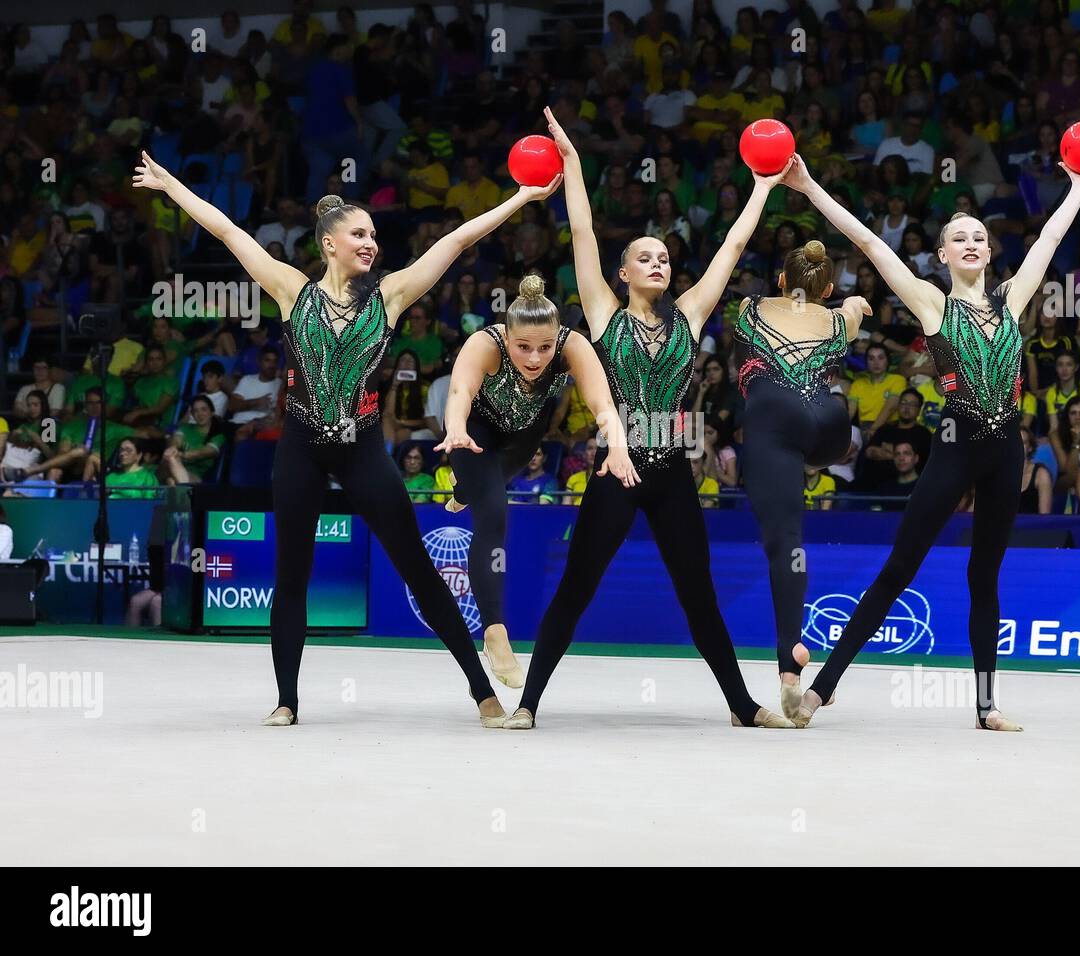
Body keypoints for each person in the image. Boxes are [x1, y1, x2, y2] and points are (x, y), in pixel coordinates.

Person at [132, 148, 561, 729]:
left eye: (374, 235)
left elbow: (457, 241)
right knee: (293, 572)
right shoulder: (290, 290)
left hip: (361, 446)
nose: (371, 243)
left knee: (417, 564)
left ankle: (483, 692)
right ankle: (287, 699)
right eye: (359, 233)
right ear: (329, 242)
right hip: (302, 445)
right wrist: (168, 186)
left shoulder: (389, 295)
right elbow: (226, 227)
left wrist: (520, 199)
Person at [782, 150, 1080, 730]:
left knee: (985, 577)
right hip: (955, 448)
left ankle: (986, 706)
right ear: (942, 254)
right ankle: (822, 688)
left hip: (1004, 452)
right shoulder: (931, 303)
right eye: (957, 237)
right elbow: (870, 243)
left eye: (978, 237)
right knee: (898, 570)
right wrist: (809, 187)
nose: (969, 244)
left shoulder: (1012, 299)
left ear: (988, 252)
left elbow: (1051, 237)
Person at [503, 107, 795, 730]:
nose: (659, 262)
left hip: (669, 473)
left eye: (664, 256)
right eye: (646, 256)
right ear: (623, 272)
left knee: (700, 596)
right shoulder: (604, 315)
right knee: (576, 588)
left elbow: (733, 247)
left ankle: (743, 707)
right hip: (615, 467)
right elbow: (582, 233)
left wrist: (763, 188)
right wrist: (575, 165)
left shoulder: (688, 317)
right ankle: (527, 704)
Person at [434, 274, 638, 688]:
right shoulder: (485, 344)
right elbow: (459, 392)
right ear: (506, 335)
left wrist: (618, 445)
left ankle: (462, 491)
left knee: (482, 488)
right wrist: (455, 428)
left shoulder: (572, 346)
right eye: (523, 347)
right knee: (493, 513)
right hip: (475, 432)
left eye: (545, 347)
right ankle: (495, 632)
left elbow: (602, 402)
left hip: (524, 437)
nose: (534, 358)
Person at [731, 238, 868, 715]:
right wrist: (851, 303)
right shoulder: (838, 318)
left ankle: (791, 661)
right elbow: (851, 311)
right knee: (820, 450)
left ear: (782, 281)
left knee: (786, 542)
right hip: (831, 421)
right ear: (828, 286)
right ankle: (817, 460)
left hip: (774, 414)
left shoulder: (748, 308)